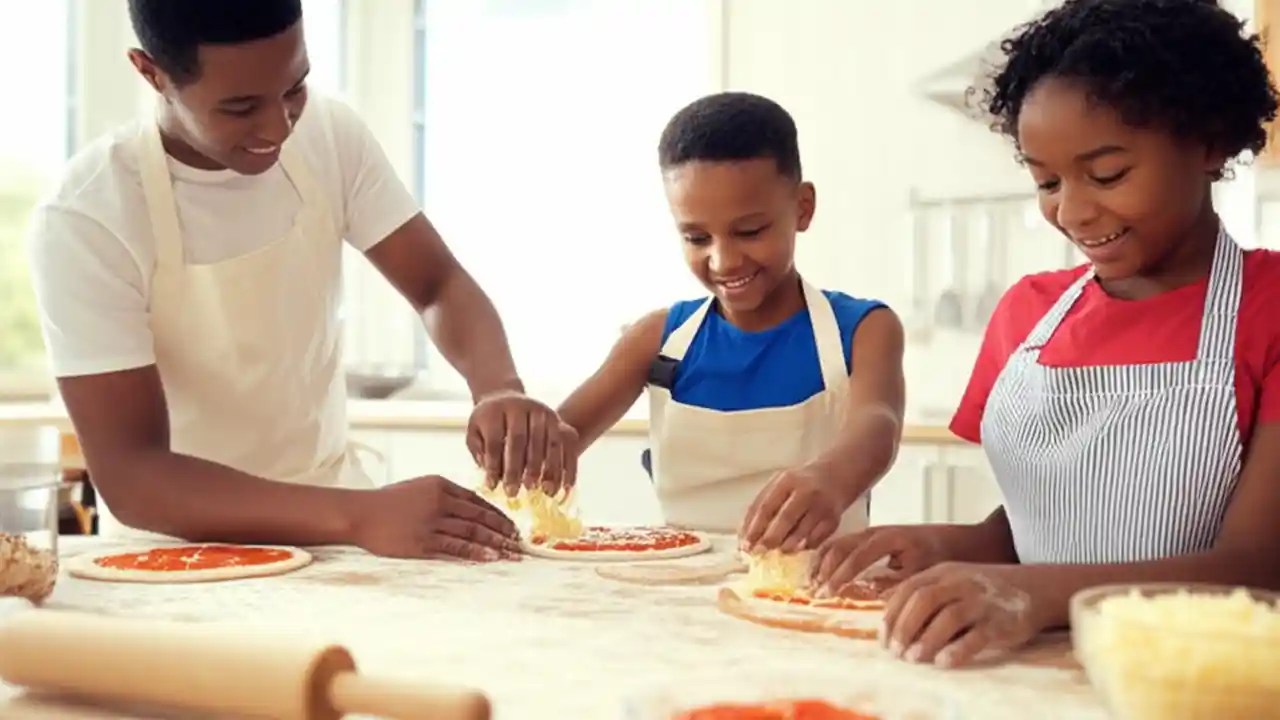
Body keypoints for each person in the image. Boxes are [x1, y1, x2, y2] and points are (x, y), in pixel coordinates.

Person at [812, 0, 1280, 668]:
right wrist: (949, 547)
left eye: (1108, 173)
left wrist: (1032, 594)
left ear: (1208, 141)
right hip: (1022, 669)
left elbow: (1258, 571)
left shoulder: (1270, 308)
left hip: (1191, 681)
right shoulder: (1027, 314)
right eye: (1046, 181)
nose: (1074, 210)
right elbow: (1052, 526)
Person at [25, 0, 570, 561]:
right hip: (178, 556)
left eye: (295, 88)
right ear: (151, 72)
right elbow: (135, 477)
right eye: (240, 108)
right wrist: (358, 514)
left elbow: (437, 284)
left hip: (341, 533)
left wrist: (498, 386)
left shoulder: (329, 135)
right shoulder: (88, 216)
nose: (278, 126)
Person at [556, 92, 906, 552]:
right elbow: (561, 436)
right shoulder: (658, 342)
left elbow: (877, 426)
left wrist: (832, 477)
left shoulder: (863, 330)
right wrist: (527, 437)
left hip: (812, 596)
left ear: (802, 208)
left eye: (749, 232)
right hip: (679, 601)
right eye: (697, 237)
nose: (723, 260)